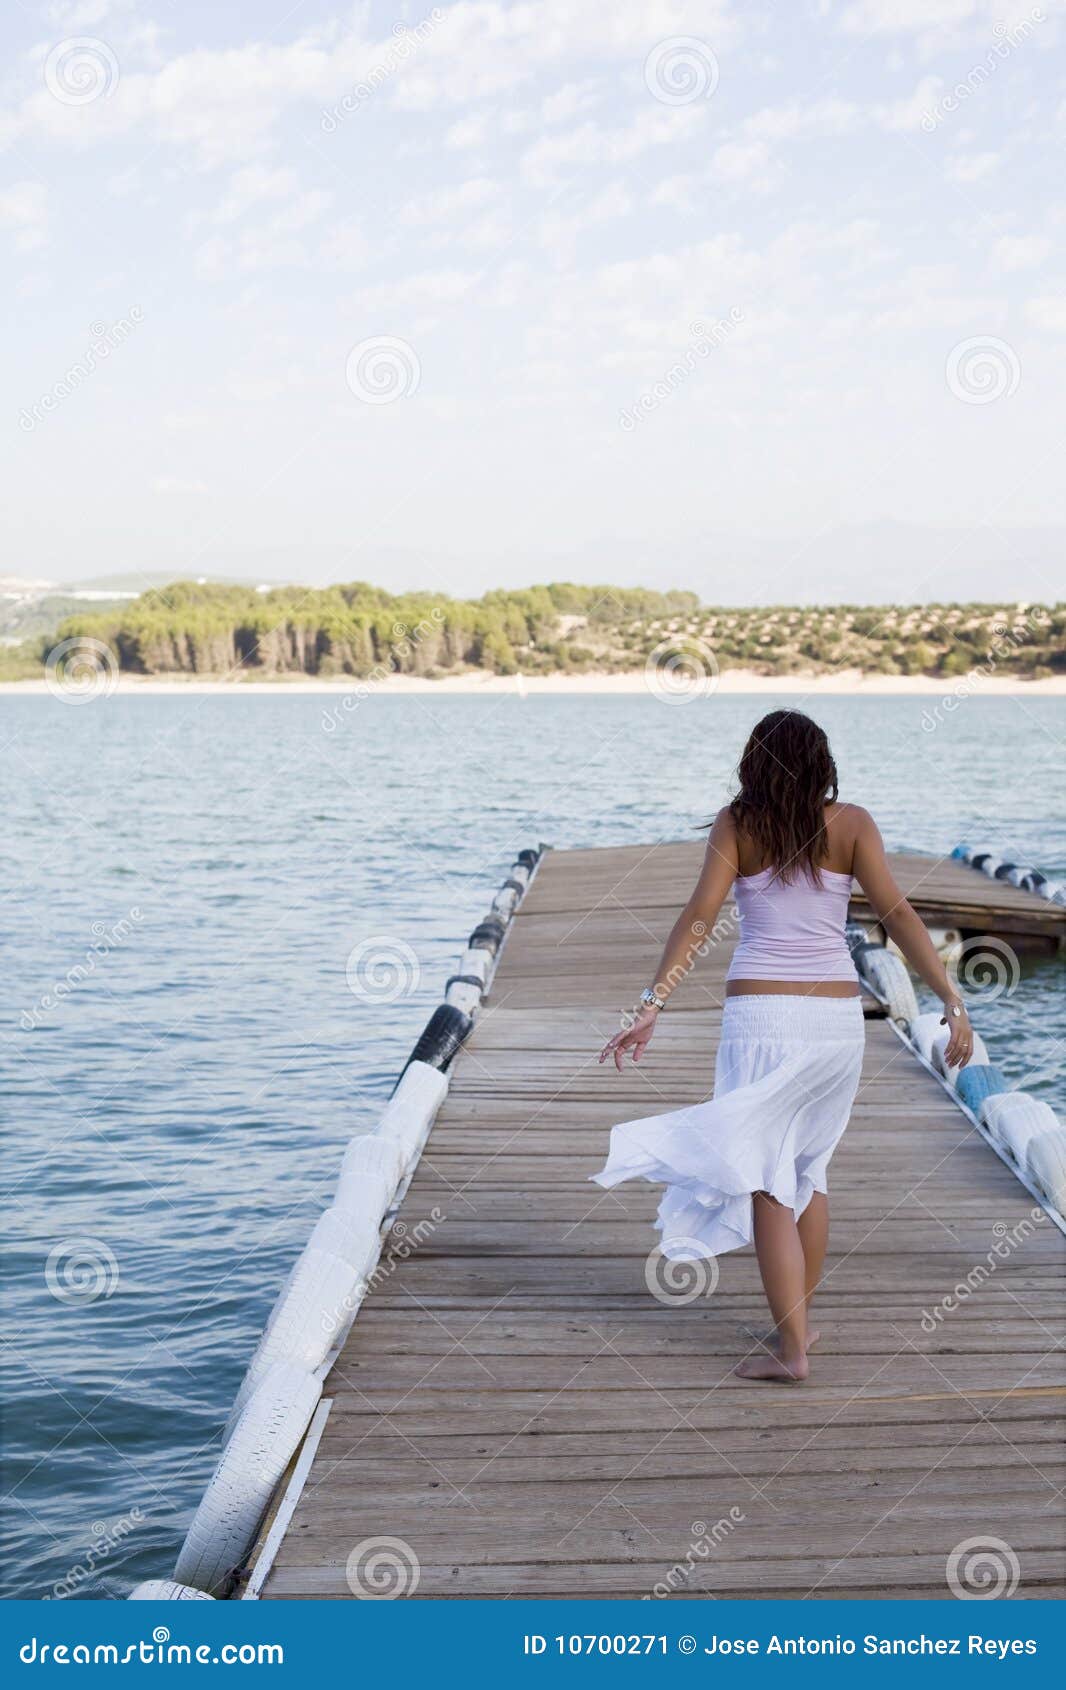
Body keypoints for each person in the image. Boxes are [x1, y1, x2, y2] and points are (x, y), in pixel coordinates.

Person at [592, 709, 973, 1384]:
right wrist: (951, 999)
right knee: (809, 1172)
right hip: (835, 1022)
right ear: (822, 762)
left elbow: (700, 915)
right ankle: (798, 1322)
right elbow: (901, 915)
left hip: (761, 1017)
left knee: (768, 1180)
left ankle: (792, 1350)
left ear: (755, 763)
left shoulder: (738, 825)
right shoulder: (851, 824)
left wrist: (652, 1004)